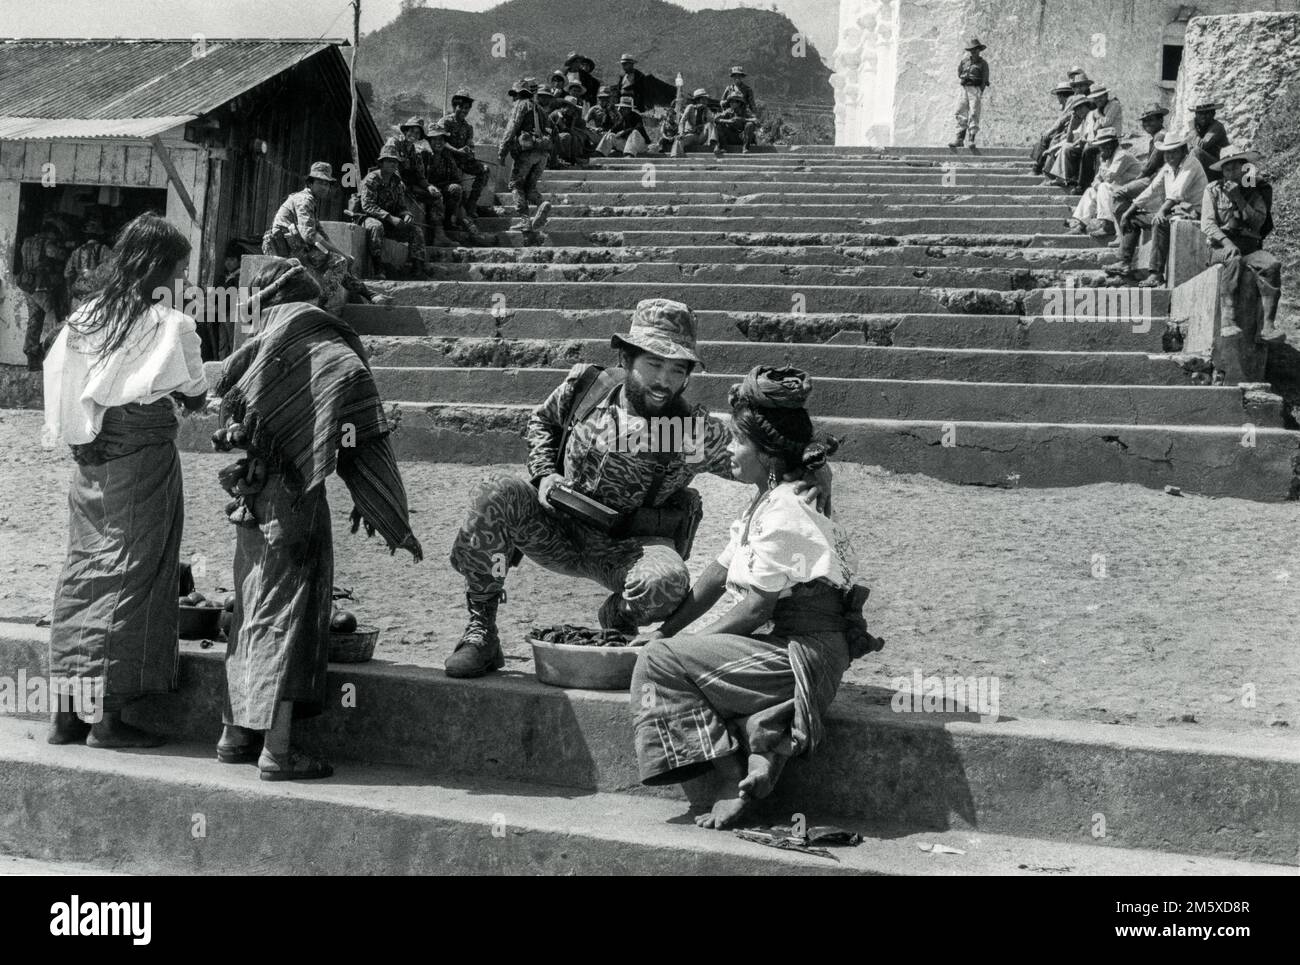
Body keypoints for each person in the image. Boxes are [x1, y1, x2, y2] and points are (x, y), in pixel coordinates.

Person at [445, 299, 832, 679]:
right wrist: (545, 473)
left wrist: (814, 466)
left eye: (678, 369)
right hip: (554, 530)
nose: (665, 381)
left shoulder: (691, 432)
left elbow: (766, 447)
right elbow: (542, 423)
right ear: (626, 359)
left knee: (666, 582)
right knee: (495, 491)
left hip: (627, 549)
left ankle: (616, 623)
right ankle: (482, 630)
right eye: (654, 364)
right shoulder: (587, 387)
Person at [629, 366, 881, 830]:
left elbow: (757, 608)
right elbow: (718, 573)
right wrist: (666, 630)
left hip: (803, 654)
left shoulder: (785, 508)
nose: (727, 450)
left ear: (766, 455)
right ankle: (765, 750)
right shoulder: (766, 500)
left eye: (736, 442)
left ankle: (730, 779)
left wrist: (673, 650)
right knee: (671, 653)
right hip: (789, 646)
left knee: (661, 665)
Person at [212, 257, 422, 780]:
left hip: (250, 493)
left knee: (250, 608)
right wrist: (384, 504)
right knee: (288, 615)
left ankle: (235, 734)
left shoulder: (255, 347)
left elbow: (230, 414)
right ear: (311, 297)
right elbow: (355, 412)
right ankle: (278, 753)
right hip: (294, 497)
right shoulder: (325, 343)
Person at [42, 212, 209, 748]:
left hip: (90, 460)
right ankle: (109, 719)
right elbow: (196, 396)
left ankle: (66, 715)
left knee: (85, 569)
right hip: (143, 461)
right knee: (132, 574)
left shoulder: (84, 317)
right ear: (159, 268)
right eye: (179, 271)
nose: (181, 283)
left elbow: (63, 388)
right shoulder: (171, 325)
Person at [264, 161, 385, 308]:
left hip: (296, 247)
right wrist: (343, 256)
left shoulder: (310, 201)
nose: (325, 187)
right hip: (283, 248)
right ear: (310, 183)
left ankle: (369, 294)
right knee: (339, 262)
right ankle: (319, 305)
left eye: (327, 184)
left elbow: (321, 234)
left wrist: (341, 254)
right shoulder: (304, 200)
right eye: (320, 183)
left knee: (337, 260)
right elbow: (309, 235)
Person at [1200, 146, 1284, 345]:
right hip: (1219, 247)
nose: (1232, 174)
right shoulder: (1212, 190)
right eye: (1227, 169)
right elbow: (1208, 224)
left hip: (1249, 247)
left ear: (1244, 169)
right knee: (1234, 259)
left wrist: (1239, 198)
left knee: (1271, 265)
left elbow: (1258, 222)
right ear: (1222, 172)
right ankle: (1228, 319)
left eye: (1236, 169)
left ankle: (1268, 326)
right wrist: (1227, 242)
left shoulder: (1254, 191)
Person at [1109, 132, 1208, 287]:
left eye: (1174, 151)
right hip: (1175, 210)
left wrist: (1161, 211)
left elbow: (1177, 192)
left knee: (1160, 222)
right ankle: (1124, 261)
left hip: (1194, 212)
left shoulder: (1191, 163)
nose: (1170, 156)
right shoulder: (1168, 167)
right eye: (1167, 152)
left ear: (1183, 151)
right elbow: (1151, 189)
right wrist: (1129, 212)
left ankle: (1156, 274)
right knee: (1133, 219)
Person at [349, 141, 429, 278]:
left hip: (391, 222)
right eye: (390, 161)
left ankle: (418, 269)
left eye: (396, 162)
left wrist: (406, 215)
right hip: (368, 218)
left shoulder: (397, 182)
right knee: (376, 226)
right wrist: (390, 217)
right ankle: (378, 268)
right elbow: (367, 206)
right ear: (381, 163)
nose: (394, 164)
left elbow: (401, 206)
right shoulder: (371, 179)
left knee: (416, 230)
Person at [1065, 127, 1141, 236]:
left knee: (1104, 186)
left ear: (1110, 145)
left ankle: (1109, 226)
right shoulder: (1108, 157)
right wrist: (1098, 180)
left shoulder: (1122, 155)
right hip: (1119, 189)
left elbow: (1109, 177)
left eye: (1103, 146)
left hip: (1133, 192)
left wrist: (1101, 171)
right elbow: (1097, 179)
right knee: (1091, 191)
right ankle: (1081, 225)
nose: (1101, 149)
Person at [499, 78, 553, 229]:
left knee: (515, 184)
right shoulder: (540, 109)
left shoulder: (520, 105)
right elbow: (551, 132)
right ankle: (542, 203)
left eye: (514, 94)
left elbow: (511, 129)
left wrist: (502, 152)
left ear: (519, 93)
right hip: (542, 155)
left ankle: (524, 221)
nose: (513, 98)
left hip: (527, 154)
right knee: (530, 188)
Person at [394, 119, 455, 249]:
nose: (414, 135)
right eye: (411, 131)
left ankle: (439, 235)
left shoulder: (416, 153)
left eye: (417, 133)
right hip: (393, 184)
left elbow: (420, 176)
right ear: (405, 131)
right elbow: (388, 165)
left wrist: (429, 186)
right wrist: (398, 180)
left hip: (410, 186)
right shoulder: (394, 144)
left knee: (436, 195)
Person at [18, 217, 69, 370]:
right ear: (50, 233)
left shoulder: (27, 242)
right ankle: (56, 351)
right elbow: (60, 255)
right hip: (41, 286)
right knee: (54, 318)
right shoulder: (47, 243)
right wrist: (64, 248)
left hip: (27, 284)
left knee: (34, 319)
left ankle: (32, 356)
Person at [443, 89, 496, 219]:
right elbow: (440, 142)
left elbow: (469, 144)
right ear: (455, 106)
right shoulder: (445, 122)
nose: (464, 111)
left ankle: (472, 204)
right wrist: (456, 151)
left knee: (484, 170)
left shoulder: (468, 127)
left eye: (467, 108)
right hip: (447, 159)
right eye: (461, 107)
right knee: (456, 186)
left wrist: (469, 149)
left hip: (462, 160)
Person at [426, 120, 479, 234]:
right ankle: (437, 232)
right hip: (425, 190)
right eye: (434, 139)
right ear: (429, 141)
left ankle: (448, 222)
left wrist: (464, 217)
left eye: (441, 139)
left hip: (442, 191)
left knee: (456, 189)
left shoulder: (448, 158)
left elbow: (456, 181)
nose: (438, 143)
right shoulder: (423, 156)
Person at [1073, 83, 1123, 193]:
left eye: (1101, 97)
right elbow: (1094, 129)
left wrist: (1098, 116)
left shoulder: (1114, 105)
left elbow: (1106, 122)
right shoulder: (1097, 110)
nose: (1098, 100)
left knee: (1088, 150)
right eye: (1096, 98)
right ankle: (1081, 182)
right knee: (1082, 148)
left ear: (1106, 96)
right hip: (1102, 140)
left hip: (1112, 139)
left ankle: (1082, 185)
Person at [1042, 95, 1092, 188]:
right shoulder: (1083, 120)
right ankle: (1056, 177)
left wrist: (1074, 143)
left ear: (1087, 106)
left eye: (1081, 107)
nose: (1079, 111)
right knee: (1061, 147)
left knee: (1066, 147)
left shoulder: (1091, 116)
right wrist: (1072, 124)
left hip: (1090, 144)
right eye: (1077, 109)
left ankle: (1062, 178)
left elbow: (1086, 136)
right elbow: (1070, 139)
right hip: (1082, 144)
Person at [63, 216, 110, 315]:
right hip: (94, 297)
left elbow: (67, 273)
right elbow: (112, 270)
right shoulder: (104, 250)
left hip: (78, 295)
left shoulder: (77, 251)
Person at [949, 36, 989, 150]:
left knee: (974, 113)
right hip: (964, 88)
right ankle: (959, 139)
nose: (974, 52)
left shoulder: (983, 64)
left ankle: (971, 139)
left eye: (976, 50)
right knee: (960, 111)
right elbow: (959, 72)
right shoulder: (964, 61)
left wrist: (979, 91)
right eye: (972, 50)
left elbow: (985, 79)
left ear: (979, 50)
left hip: (975, 88)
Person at [1031, 81, 1075, 175]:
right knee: (1045, 140)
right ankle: (1038, 167)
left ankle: (1040, 169)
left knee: (1051, 141)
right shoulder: (1066, 104)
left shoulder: (1070, 100)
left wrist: (1051, 131)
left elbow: (1063, 119)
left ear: (1061, 96)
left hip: (1068, 131)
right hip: (1065, 130)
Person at [1188, 100, 1230, 182]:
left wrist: (1192, 129)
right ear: (1196, 115)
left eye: (1207, 113)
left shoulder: (1217, 127)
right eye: (1200, 113)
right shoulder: (1197, 129)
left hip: (1221, 167)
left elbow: (1200, 145)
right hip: (1207, 167)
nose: (1203, 116)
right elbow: (1189, 147)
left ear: (1213, 114)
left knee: (1197, 152)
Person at [677, 88, 714, 153]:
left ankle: (711, 146)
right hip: (690, 135)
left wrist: (708, 114)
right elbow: (682, 122)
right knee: (679, 141)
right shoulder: (690, 107)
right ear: (699, 100)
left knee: (709, 125)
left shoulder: (706, 110)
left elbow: (711, 122)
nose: (706, 101)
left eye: (706, 99)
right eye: (704, 99)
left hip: (701, 136)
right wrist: (681, 133)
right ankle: (680, 158)